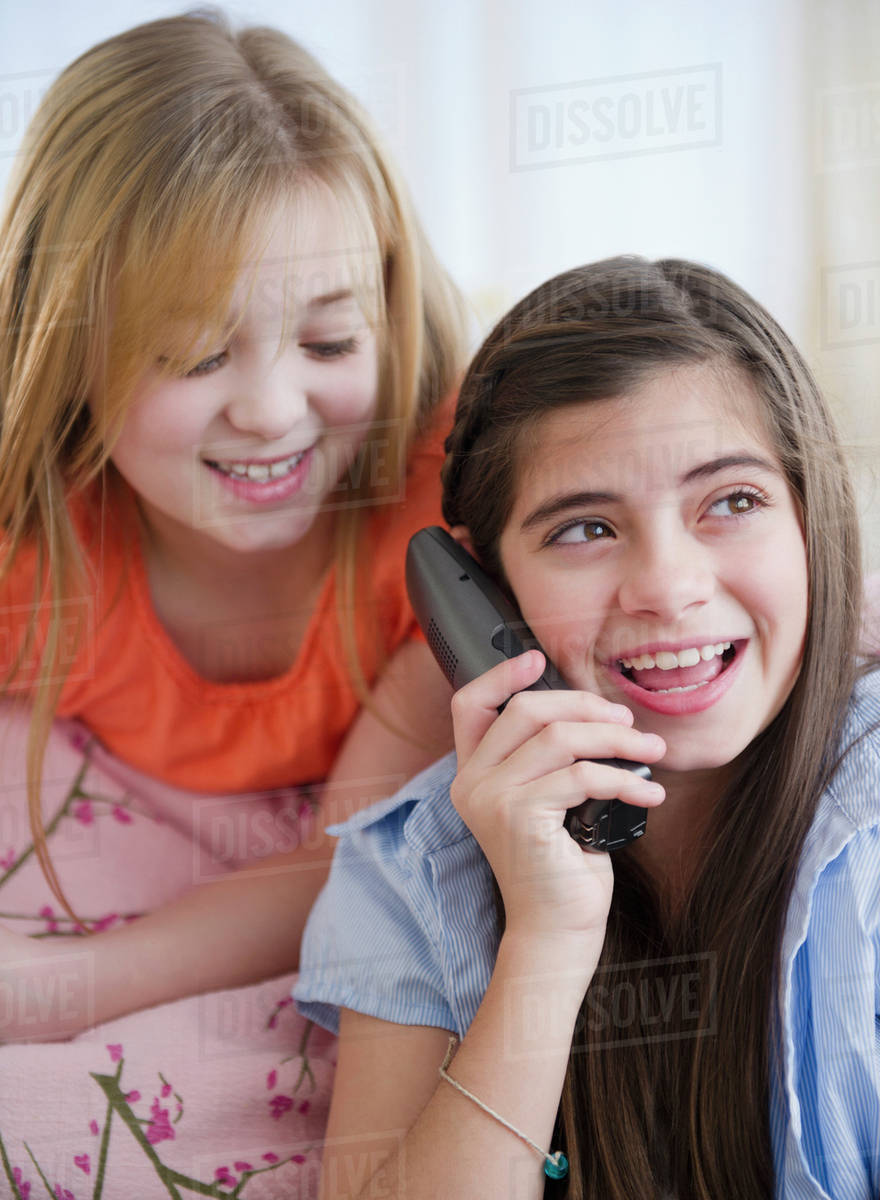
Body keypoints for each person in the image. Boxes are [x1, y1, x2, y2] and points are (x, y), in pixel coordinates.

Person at [294, 257, 880, 1199]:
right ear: (481, 598)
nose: (668, 585)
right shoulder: (412, 874)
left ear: (814, 521)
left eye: (732, 502)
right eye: (584, 529)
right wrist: (548, 935)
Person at [0, 10, 467, 1040]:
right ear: (65, 348)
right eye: (196, 355)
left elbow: (351, 858)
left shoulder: (451, 504)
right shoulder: (34, 546)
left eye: (331, 339)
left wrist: (62, 987)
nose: (268, 408)